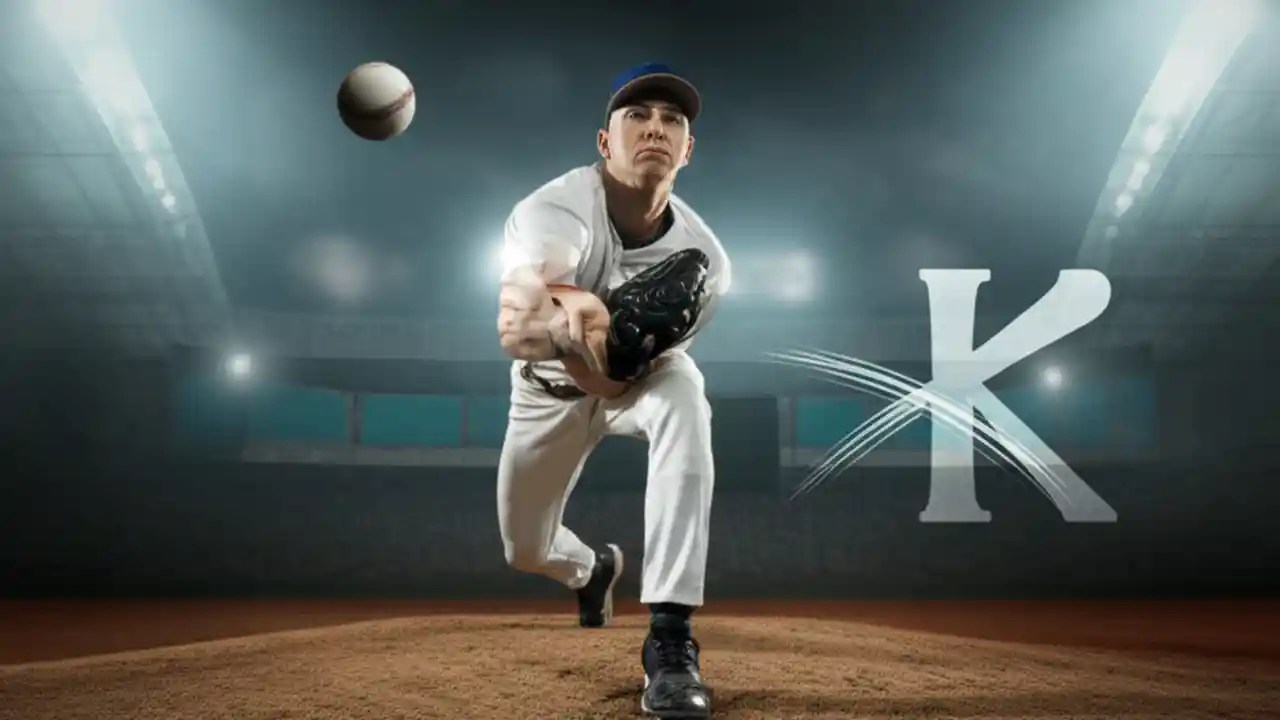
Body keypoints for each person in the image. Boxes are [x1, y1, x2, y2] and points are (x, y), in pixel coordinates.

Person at [494, 63, 730, 719]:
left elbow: (632, 368)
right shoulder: (555, 208)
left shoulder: (709, 262)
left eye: (672, 120)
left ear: (687, 149)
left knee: (686, 399)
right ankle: (591, 570)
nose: (656, 128)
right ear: (605, 142)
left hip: (636, 381)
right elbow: (522, 319)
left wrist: (609, 350)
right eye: (638, 116)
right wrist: (574, 313)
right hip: (545, 393)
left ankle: (671, 639)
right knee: (524, 550)